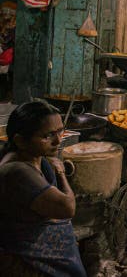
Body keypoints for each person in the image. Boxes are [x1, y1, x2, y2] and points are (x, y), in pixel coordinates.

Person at [0, 101, 85, 277]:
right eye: (48, 136)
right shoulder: (17, 171)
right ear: (20, 141)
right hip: (28, 262)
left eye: (60, 131)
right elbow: (67, 208)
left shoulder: (35, 158)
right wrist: (61, 173)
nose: (58, 140)